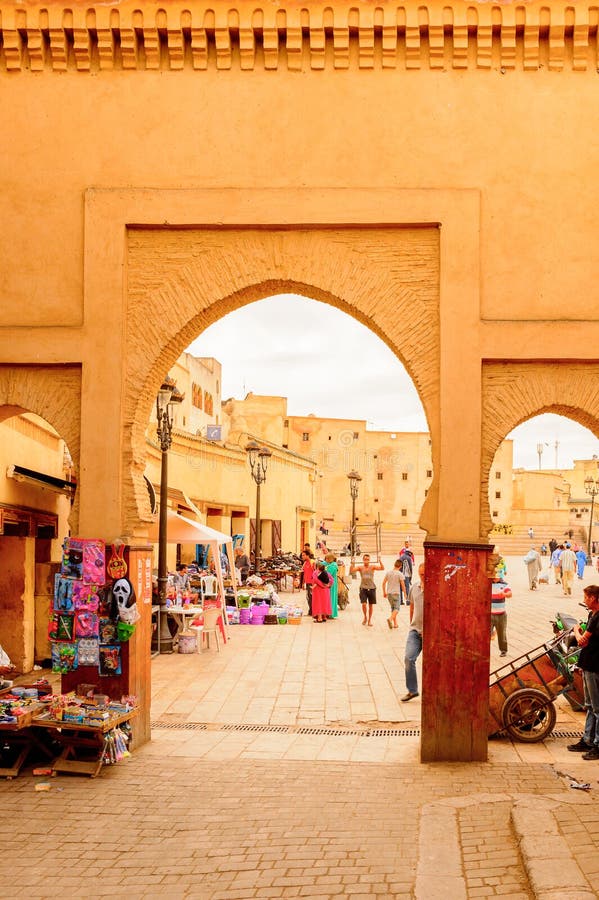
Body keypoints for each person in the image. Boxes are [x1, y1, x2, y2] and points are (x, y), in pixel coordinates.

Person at [567, 584, 599, 758]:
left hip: (595, 666)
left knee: (597, 707)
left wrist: (576, 631)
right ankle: (587, 739)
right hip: (587, 664)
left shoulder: (597, 617)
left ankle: (597, 744)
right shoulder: (592, 614)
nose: (584, 600)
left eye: (586, 597)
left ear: (593, 598)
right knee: (589, 705)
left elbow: (582, 642)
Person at [403, 562, 424, 701]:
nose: (423, 576)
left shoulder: (436, 588)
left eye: (425, 574)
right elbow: (412, 607)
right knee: (408, 658)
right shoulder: (414, 587)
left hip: (432, 633)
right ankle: (412, 690)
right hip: (415, 630)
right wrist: (412, 624)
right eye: (421, 574)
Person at [350, 553, 384, 626]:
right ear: (363, 560)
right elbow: (352, 570)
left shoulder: (372, 567)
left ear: (369, 560)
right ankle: (365, 617)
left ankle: (369, 620)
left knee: (371, 605)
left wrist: (380, 560)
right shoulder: (360, 567)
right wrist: (352, 563)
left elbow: (382, 568)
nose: (366, 561)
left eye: (368, 560)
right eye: (365, 559)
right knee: (364, 604)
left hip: (372, 588)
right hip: (363, 588)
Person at [382, 559, 406, 629]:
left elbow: (383, 583)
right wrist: (405, 593)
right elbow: (403, 585)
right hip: (396, 594)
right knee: (397, 609)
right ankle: (390, 619)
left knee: (393, 608)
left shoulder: (388, 573)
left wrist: (384, 592)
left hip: (389, 594)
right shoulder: (400, 574)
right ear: (400, 566)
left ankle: (395, 624)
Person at [491, 573, 511, 657]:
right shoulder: (489, 584)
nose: (495, 578)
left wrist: (505, 594)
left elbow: (510, 594)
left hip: (501, 615)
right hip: (490, 614)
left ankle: (503, 650)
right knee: (486, 632)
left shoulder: (504, 584)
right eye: (493, 576)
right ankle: (492, 633)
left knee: (502, 633)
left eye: (497, 576)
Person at [324, 552, 339, 618]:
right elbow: (323, 564)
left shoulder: (333, 566)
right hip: (328, 584)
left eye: (327, 558)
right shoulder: (328, 564)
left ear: (330, 559)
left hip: (331, 584)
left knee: (331, 598)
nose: (325, 560)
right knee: (327, 598)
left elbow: (327, 574)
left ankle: (331, 613)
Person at [301, 550, 314, 616]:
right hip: (307, 583)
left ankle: (312, 612)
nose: (302, 556)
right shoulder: (305, 563)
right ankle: (311, 611)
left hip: (312, 583)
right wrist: (303, 583)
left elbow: (316, 573)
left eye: (303, 555)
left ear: (308, 555)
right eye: (302, 555)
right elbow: (304, 573)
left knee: (311, 597)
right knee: (308, 597)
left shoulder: (312, 562)